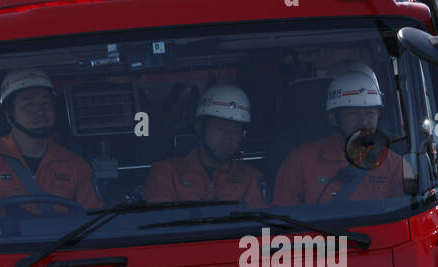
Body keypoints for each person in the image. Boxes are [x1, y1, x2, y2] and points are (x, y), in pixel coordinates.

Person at [0, 69, 102, 224]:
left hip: (63, 249)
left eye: (46, 103)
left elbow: (95, 219)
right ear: (9, 115)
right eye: (29, 105)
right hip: (1, 249)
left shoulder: (74, 164)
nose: (40, 111)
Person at [272, 69, 405, 205]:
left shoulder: (394, 165)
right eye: (353, 113)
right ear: (334, 119)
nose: (364, 121)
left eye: (370, 113)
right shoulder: (300, 160)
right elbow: (278, 219)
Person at [144, 84, 268, 206]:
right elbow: (158, 221)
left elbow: (266, 225)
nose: (228, 139)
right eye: (221, 128)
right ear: (200, 127)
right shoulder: (165, 174)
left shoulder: (251, 178)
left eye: (236, 131)